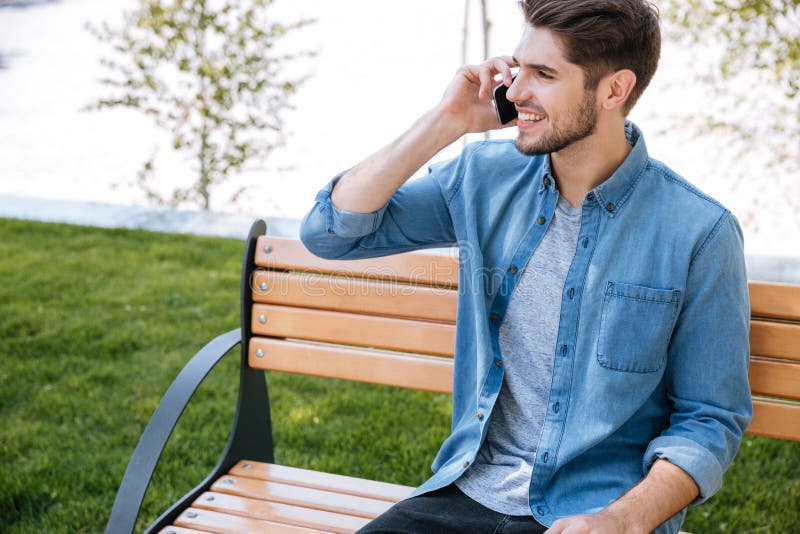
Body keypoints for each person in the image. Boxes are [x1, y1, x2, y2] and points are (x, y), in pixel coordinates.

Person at [299, 1, 752, 532]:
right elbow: (331, 234)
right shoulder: (482, 178)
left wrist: (622, 521)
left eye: (544, 74)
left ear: (614, 89)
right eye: (518, 68)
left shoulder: (698, 231)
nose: (513, 93)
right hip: (462, 494)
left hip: (592, 511)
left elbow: (709, 420)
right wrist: (446, 122)